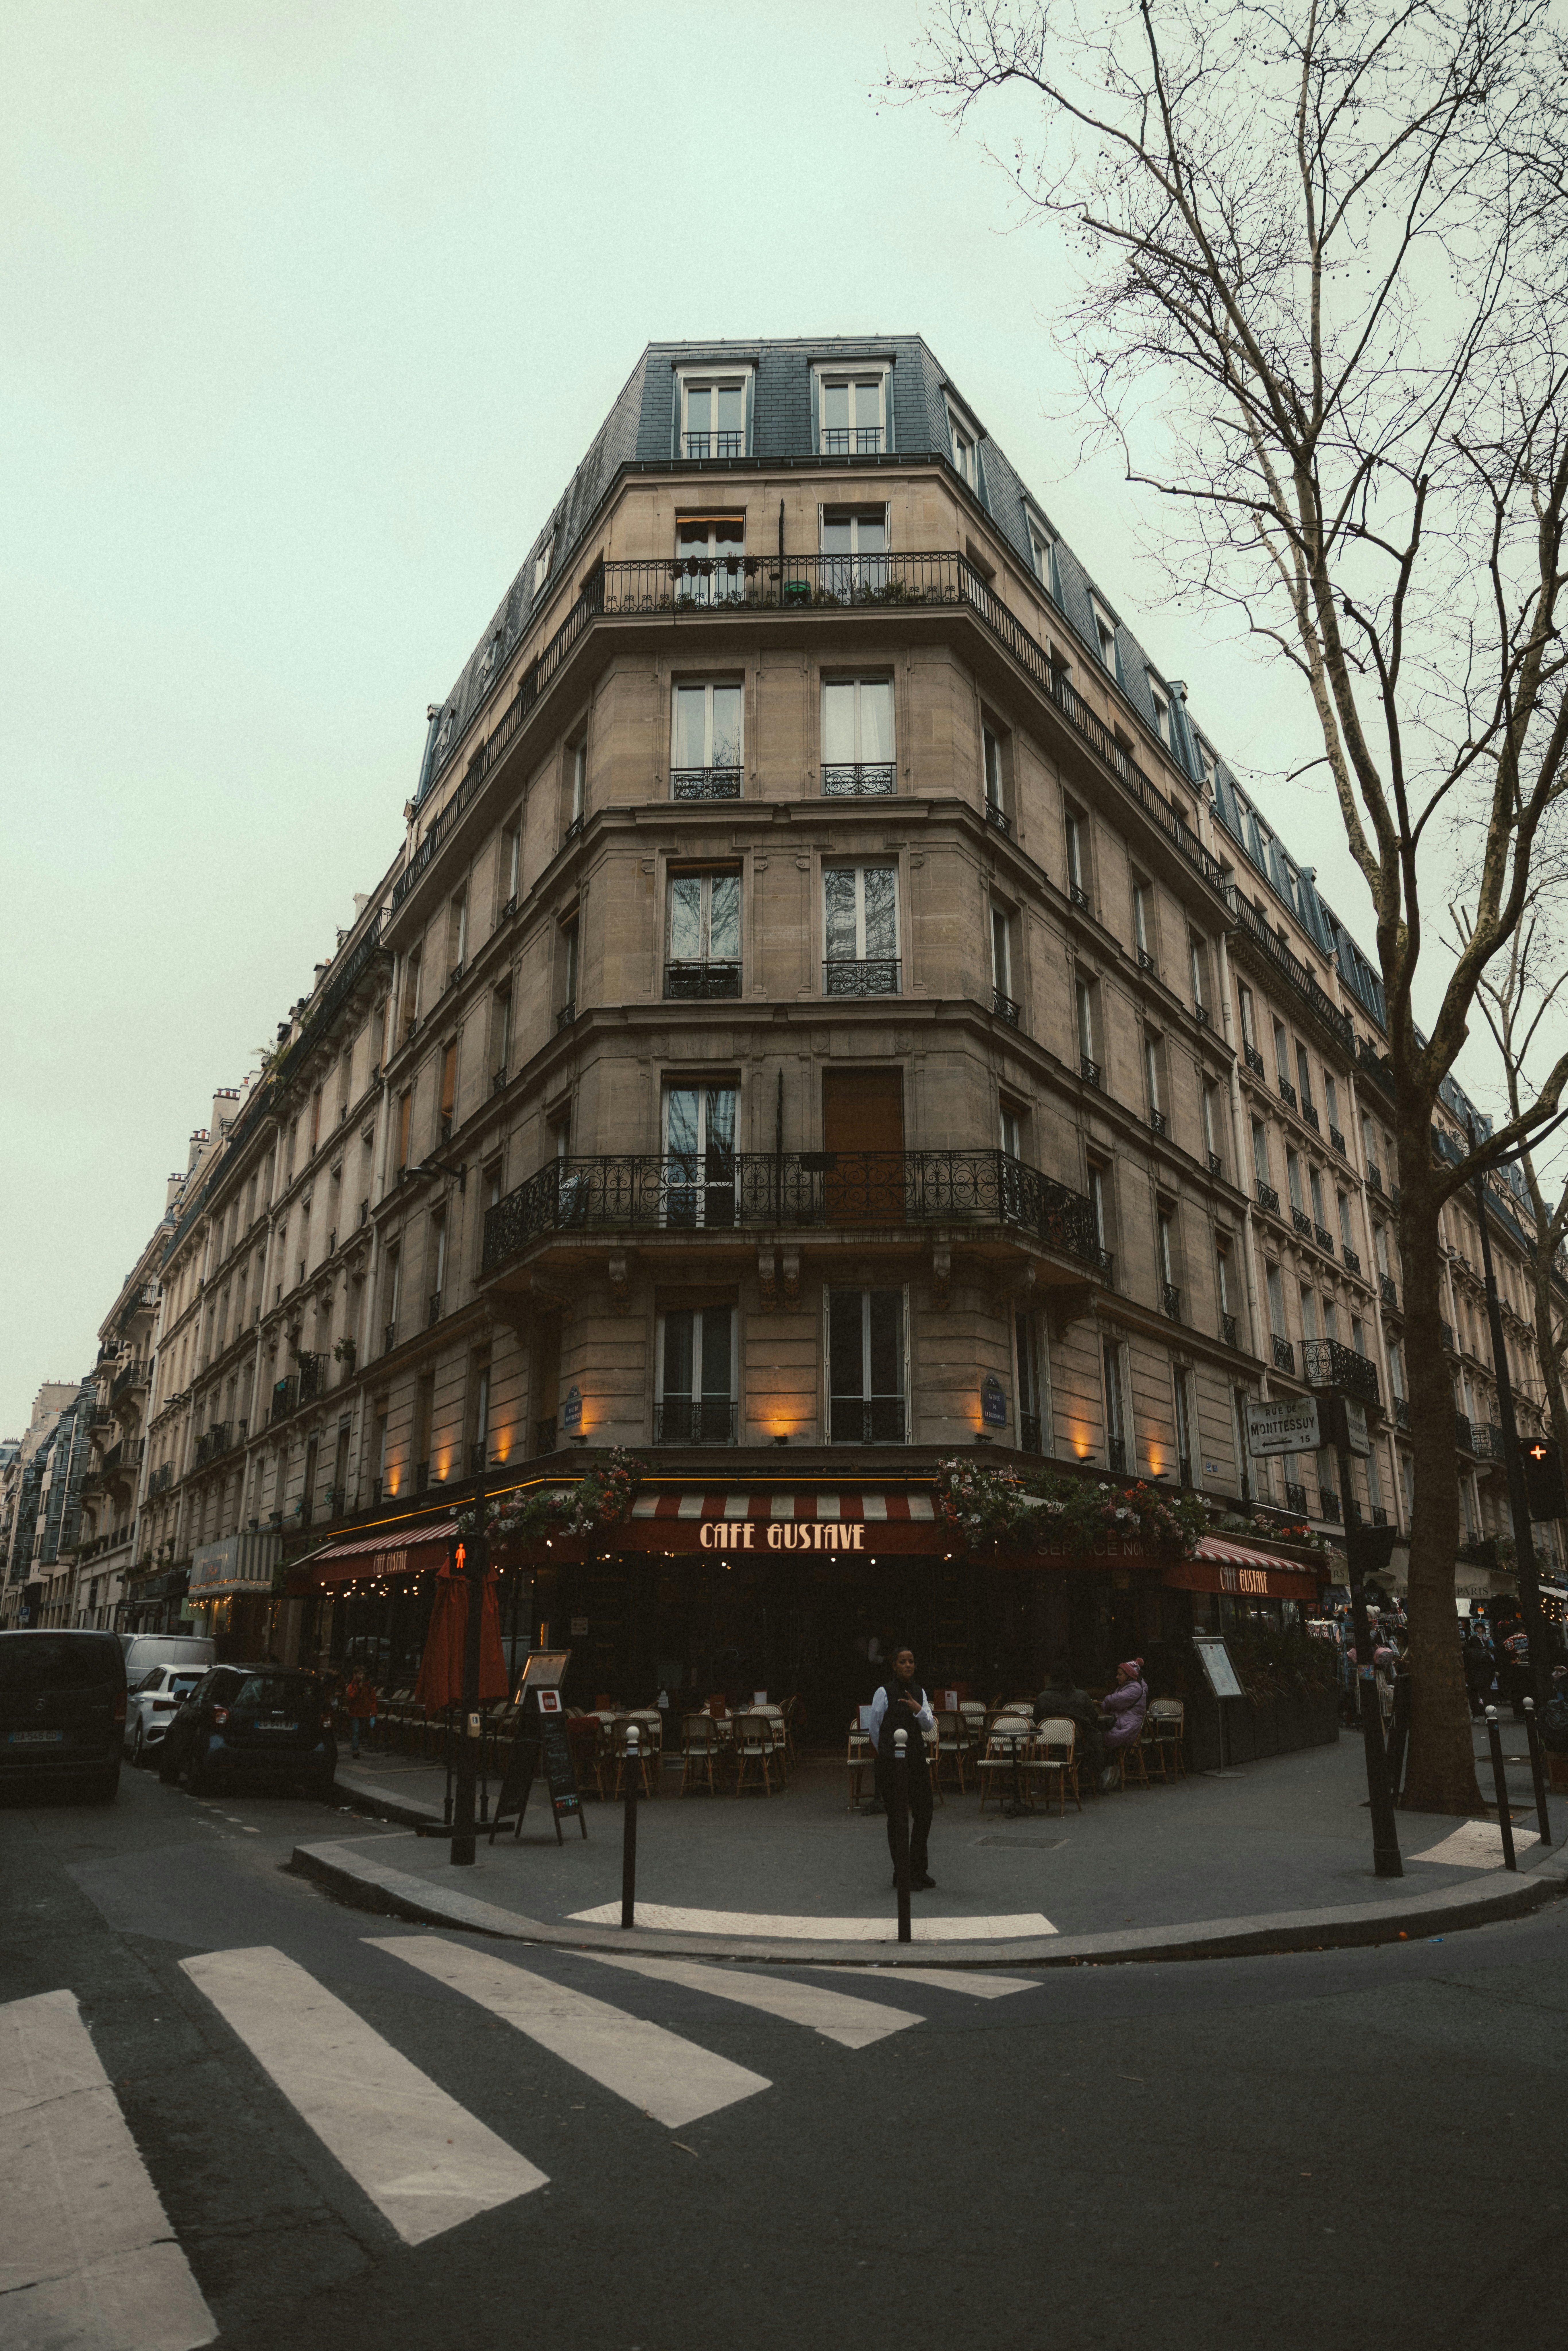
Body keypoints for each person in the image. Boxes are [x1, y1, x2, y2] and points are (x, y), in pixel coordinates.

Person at [869, 1646, 935, 1890]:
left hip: (916, 1761)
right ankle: (902, 1873)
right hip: (892, 1764)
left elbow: (929, 1726)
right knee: (898, 1818)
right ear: (894, 1666)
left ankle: (918, 1868)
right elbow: (875, 1729)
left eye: (911, 1661)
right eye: (903, 1662)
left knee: (924, 1813)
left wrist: (918, 1711)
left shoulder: (920, 1692)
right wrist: (887, 1755)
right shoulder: (883, 1693)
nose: (908, 1665)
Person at [1032, 1662, 1107, 1783]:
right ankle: (1092, 1779)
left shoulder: (1042, 1697)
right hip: (1079, 1743)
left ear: (1052, 1678)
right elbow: (1094, 1717)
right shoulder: (1082, 1695)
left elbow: (1037, 1720)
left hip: (1051, 1745)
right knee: (1096, 1738)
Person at [1099, 1658, 1149, 1791]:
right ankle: (1108, 1770)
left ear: (1129, 1676)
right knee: (1098, 1736)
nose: (1117, 1677)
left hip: (1129, 1729)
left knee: (1099, 1738)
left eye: (1120, 1674)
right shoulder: (1126, 1687)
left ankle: (1105, 1773)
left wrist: (1107, 1700)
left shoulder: (1135, 1688)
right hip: (1125, 1724)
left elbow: (1112, 1700)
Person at [342, 1666, 377, 1758]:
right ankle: (355, 1750)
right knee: (356, 1731)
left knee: (361, 1731)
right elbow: (351, 1698)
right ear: (355, 1675)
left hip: (365, 1712)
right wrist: (358, 1689)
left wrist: (373, 1713)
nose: (362, 1676)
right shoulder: (352, 1686)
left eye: (363, 1674)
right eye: (360, 1674)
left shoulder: (368, 1686)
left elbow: (373, 1700)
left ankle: (357, 1746)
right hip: (355, 1712)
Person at [1462, 1627, 1493, 1719]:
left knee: (1473, 1697)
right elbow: (1491, 1666)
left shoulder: (1468, 1653)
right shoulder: (1485, 1653)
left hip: (1473, 1678)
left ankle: (1475, 1716)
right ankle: (1488, 1716)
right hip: (1485, 1678)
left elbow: (1465, 1666)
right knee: (1487, 1697)